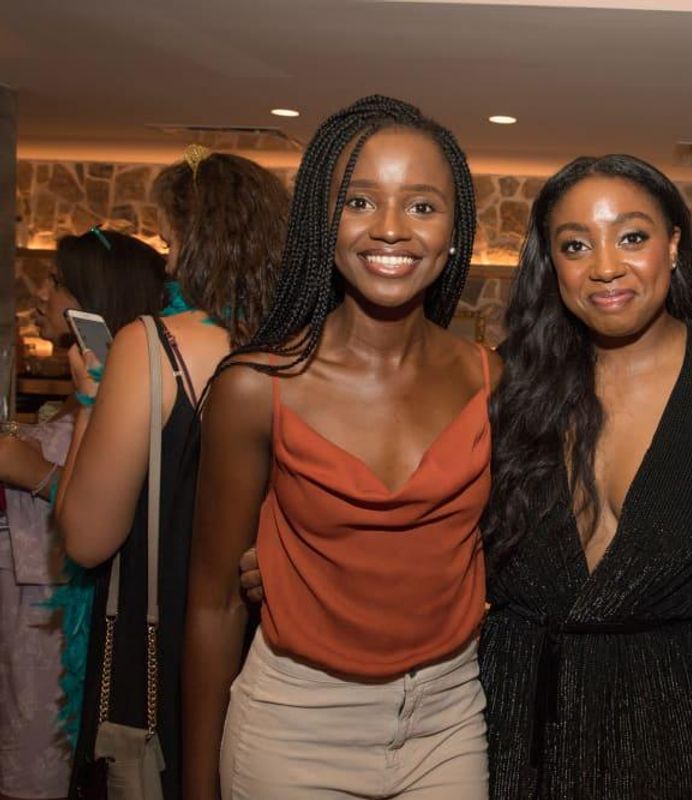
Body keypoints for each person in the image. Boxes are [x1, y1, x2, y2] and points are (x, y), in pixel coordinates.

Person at [183, 95, 496, 800]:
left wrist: (343, 568)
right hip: (295, 725)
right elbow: (211, 605)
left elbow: (496, 547)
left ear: (455, 235)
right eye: (359, 200)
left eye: (422, 206)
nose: (391, 229)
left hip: (446, 722)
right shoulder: (255, 386)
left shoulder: (488, 378)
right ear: (322, 226)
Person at [480, 154, 692, 799]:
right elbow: (433, 521)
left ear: (673, 244)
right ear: (551, 264)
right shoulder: (505, 380)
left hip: (685, 717)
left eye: (632, 236)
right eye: (575, 245)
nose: (605, 266)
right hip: (518, 710)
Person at [55, 152, 289, 798]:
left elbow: (85, 536)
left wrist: (85, 405)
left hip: (159, 652)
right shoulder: (301, 351)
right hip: (271, 656)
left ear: (199, 241)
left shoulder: (151, 346)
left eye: (172, 238)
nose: (169, 256)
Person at [1, 228, 166, 800]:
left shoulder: (121, 406)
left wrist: (34, 473)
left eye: (56, 283)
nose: (41, 295)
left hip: (59, 643)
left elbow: (108, 513)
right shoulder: (82, 398)